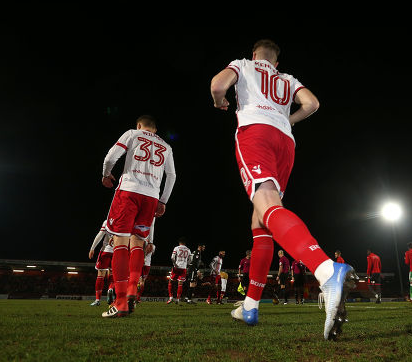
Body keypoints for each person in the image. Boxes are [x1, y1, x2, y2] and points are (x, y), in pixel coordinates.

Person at [211, 38, 357, 340]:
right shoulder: (287, 79)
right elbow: (313, 104)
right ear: (276, 62)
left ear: (254, 54)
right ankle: (250, 305)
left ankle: (326, 269)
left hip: (256, 132)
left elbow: (217, 85)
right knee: (260, 218)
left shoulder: (243, 65)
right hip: (285, 142)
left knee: (266, 203)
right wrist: (286, 120)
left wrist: (219, 101)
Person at [100, 115, 176, 317]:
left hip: (129, 192)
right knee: (138, 243)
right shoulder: (166, 146)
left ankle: (121, 300)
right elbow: (172, 176)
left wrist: (106, 174)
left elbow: (111, 157)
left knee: (120, 243)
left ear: (139, 125)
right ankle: (133, 287)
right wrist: (163, 201)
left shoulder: (132, 134)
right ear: (156, 129)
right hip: (151, 197)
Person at [88, 220, 115, 306]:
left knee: (100, 276)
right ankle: (110, 289)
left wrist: (92, 248)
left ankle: (97, 300)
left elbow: (100, 235)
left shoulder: (107, 221)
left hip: (106, 251)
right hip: (117, 252)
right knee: (113, 275)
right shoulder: (124, 220)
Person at [137, 218, 156, 304]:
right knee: (143, 281)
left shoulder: (140, 242)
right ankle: (138, 297)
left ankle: (133, 295)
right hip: (147, 264)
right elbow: (152, 254)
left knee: (137, 280)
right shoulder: (153, 246)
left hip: (139, 262)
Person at [166, 237, 191, 305]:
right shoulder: (188, 249)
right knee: (180, 283)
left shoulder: (176, 248)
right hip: (183, 268)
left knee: (170, 281)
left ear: (179, 242)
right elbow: (190, 260)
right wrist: (186, 264)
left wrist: (175, 264)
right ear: (185, 243)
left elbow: (172, 257)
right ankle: (177, 299)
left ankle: (171, 298)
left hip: (176, 267)